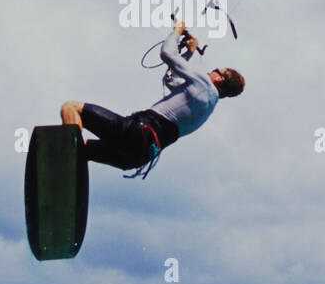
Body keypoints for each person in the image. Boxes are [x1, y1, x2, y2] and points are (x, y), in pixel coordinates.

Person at [60, 21, 244, 176]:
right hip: (139, 157)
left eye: (215, 71)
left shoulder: (204, 83)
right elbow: (171, 79)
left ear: (219, 78)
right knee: (83, 148)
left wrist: (176, 32)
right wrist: (189, 53)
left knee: (71, 109)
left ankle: (67, 169)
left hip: (136, 132)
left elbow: (167, 54)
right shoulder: (208, 106)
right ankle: (72, 167)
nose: (210, 71)